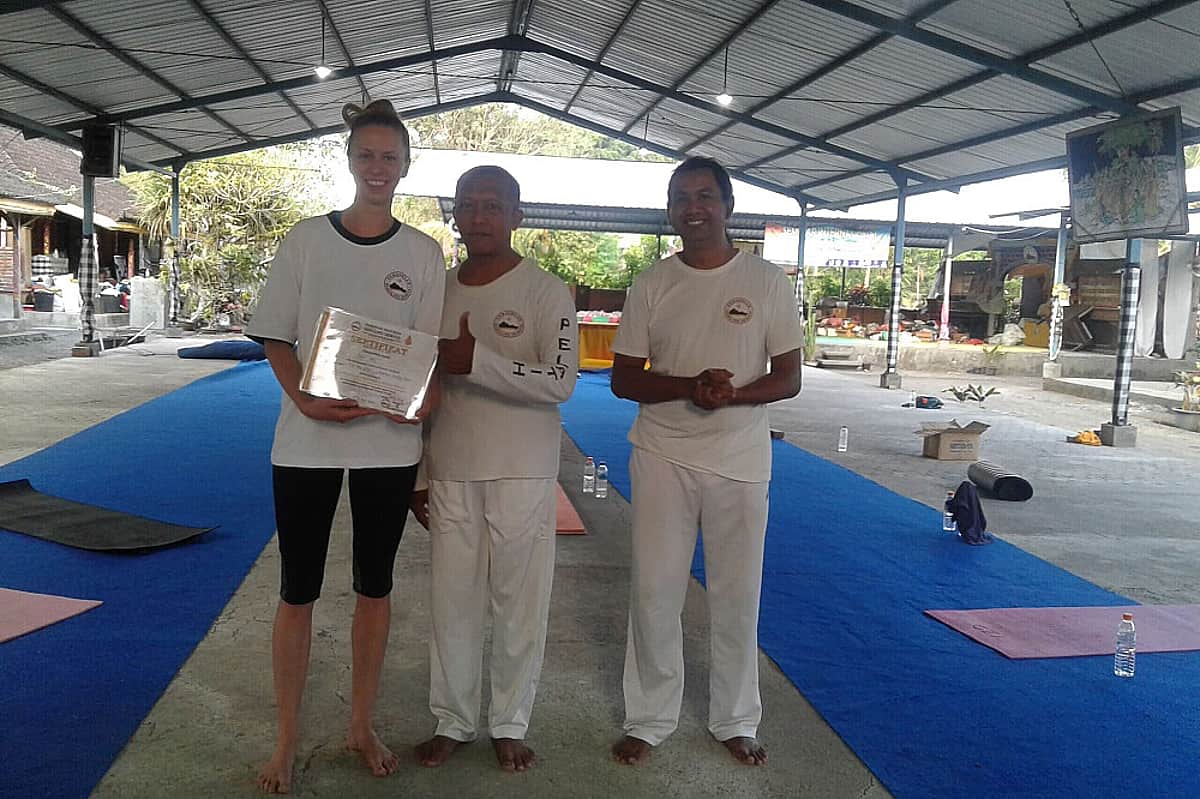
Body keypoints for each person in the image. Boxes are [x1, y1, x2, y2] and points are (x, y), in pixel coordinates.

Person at [246, 99, 446, 794]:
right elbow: (275, 333)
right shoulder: (306, 239)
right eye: (367, 155)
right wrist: (302, 396)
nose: (378, 168)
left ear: (406, 165)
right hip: (305, 441)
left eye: (391, 157)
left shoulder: (422, 253)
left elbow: (425, 357)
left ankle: (361, 723)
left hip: (387, 447)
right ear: (350, 159)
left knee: (375, 585)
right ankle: (285, 738)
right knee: (296, 590)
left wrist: (418, 398)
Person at [608, 157, 802, 767]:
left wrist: (733, 395)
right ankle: (649, 716)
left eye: (705, 196)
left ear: (727, 206)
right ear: (670, 210)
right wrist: (690, 387)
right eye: (682, 197)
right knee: (655, 591)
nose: (694, 208)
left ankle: (736, 718)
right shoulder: (652, 283)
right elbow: (623, 380)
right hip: (662, 454)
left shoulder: (767, 281)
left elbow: (789, 377)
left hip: (741, 459)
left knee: (737, 594)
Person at [410, 166, 577, 772]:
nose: (479, 217)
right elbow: (422, 385)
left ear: (516, 215)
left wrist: (476, 359)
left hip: (522, 471)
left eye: (492, 206)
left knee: (519, 603)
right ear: (455, 213)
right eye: (468, 205)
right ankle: (452, 719)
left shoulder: (545, 291)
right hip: (452, 465)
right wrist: (420, 474)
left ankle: (509, 723)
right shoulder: (438, 288)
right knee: (451, 602)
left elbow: (560, 382)